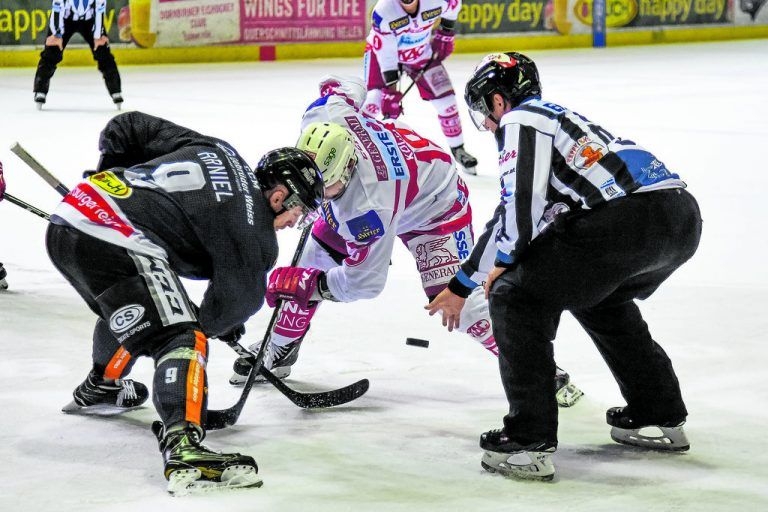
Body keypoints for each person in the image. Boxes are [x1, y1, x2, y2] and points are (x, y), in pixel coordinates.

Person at [427, 52, 703, 481]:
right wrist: (461, 285)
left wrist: (501, 266)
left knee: (514, 295)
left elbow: (519, 207)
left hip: (625, 220)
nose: (487, 123)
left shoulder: (522, 120)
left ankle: (528, 441)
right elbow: (516, 216)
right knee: (601, 299)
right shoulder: (559, 122)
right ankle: (657, 412)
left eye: (485, 110)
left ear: (499, 101)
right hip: (679, 218)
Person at [229, 75, 583, 408]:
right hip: (403, 176)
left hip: (436, 206)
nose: (318, 198)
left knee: (456, 302)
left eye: (325, 191)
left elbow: (365, 282)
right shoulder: (324, 114)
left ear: (347, 169)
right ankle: (281, 348)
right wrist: (367, 95)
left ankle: (539, 370)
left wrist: (313, 285)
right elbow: (348, 86)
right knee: (312, 257)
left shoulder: (366, 205)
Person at [45, 111, 324, 494]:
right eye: (300, 210)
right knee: (181, 338)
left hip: (69, 221)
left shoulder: (217, 150)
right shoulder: (257, 234)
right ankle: (183, 447)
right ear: (279, 197)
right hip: (118, 239)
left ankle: (101, 386)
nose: (297, 221)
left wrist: (108, 172)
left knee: (144, 307)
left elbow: (127, 126)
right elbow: (235, 306)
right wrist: (213, 324)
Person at [362, 0, 479, 175]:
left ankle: (458, 148)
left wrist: (445, 33)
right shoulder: (383, 11)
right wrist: (390, 90)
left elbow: (454, 5)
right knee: (374, 102)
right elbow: (386, 53)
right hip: (383, 55)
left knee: (447, 102)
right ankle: (356, 147)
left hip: (421, 54)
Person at [33, 0, 123, 110]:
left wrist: (98, 35)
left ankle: (116, 90)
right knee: (52, 50)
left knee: (102, 50)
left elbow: (99, 10)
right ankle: (40, 90)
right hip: (65, 19)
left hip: (90, 20)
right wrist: (56, 34)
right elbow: (57, 8)